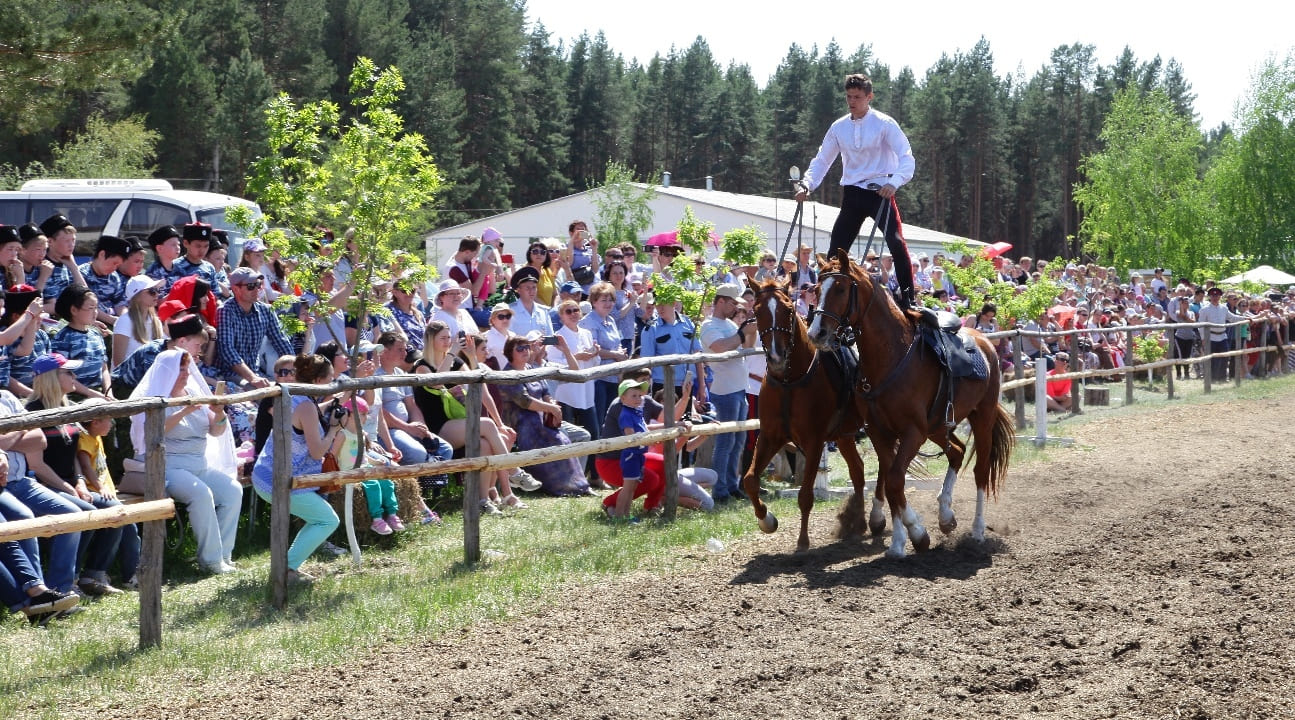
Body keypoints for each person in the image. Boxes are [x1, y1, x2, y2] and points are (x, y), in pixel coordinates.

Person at [796, 73, 917, 308]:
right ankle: (822, 305)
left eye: (858, 97)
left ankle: (909, 298)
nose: (852, 101)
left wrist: (895, 182)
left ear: (869, 97)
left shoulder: (884, 123)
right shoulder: (839, 127)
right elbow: (822, 160)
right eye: (849, 96)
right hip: (853, 192)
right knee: (835, 252)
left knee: (896, 242)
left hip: (881, 191)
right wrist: (807, 183)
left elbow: (906, 156)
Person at [130, 349, 242, 574]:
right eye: (180, 368)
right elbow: (153, 434)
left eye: (187, 367)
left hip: (199, 464)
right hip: (168, 467)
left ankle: (223, 555)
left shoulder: (194, 391)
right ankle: (210, 562)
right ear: (168, 371)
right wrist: (184, 410)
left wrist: (219, 413)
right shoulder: (156, 397)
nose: (185, 372)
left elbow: (216, 431)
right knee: (202, 494)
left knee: (233, 491)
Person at [24, 354, 125, 595]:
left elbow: (74, 456)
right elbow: (36, 465)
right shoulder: (31, 411)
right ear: (50, 378)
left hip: (70, 484)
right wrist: (69, 488)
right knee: (86, 514)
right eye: (68, 373)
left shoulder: (67, 408)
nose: (75, 378)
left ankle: (93, 575)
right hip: (43, 485)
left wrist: (79, 481)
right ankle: (66, 582)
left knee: (116, 510)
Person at [249, 353, 342, 584]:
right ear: (319, 381)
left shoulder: (293, 396)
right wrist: (333, 430)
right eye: (331, 379)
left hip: (268, 474)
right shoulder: (307, 406)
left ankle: (287, 567)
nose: (332, 384)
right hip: (278, 480)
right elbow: (317, 452)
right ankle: (286, 569)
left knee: (322, 518)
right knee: (327, 520)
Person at [496, 335, 590, 497]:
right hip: (523, 423)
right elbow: (524, 401)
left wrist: (551, 404)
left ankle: (579, 485)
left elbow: (545, 392)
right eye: (520, 348)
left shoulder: (531, 369)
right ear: (509, 352)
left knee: (575, 437)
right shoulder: (508, 375)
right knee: (559, 440)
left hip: (543, 419)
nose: (525, 351)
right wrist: (551, 409)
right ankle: (562, 488)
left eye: (527, 347)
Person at [699, 283, 756, 502]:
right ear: (721, 301)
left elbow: (747, 346)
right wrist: (743, 333)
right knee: (726, 443)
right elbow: (721, 347)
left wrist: (750, 329)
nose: (735, 307)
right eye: (732, 302)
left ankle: (731, 485)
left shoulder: (730, 324)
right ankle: (721, 489)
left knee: (738, 441)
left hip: (739, 389)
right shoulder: (709, 325)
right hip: (725, 391)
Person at [216, 266, 295, 387]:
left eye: (258, 284)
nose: (257, 289)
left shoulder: (266, 310)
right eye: (251, 286)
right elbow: (227, 351)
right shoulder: (225, 311)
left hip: (256, 373)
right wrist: (252, 378)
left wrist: (296, 369)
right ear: (236, 289)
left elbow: (281, 341)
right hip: (229, 376)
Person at [579, 281, 627, 431]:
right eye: (603, 300)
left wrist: (620, 353)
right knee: (599, 420)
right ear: (594, 301)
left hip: (614, 376)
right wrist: (616, 355)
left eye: (611, 299)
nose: (608, 303)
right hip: (598, 378)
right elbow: (593, 349)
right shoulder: (588, 322)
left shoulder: (611, 320)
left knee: (612, 419)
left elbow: (616, 342)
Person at [49, 285, 111, 397]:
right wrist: (92, 394)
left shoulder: (96, 334)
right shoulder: (63, 338)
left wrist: (108, 392)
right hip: (76, 396)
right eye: (90, 308)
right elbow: (61, 374)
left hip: (100, 393)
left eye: (96, 308)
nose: (95, 312)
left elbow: (104, 368)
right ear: (74, 310)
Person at [36, 214, 88, 312]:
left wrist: (74, 268)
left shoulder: (68, 264)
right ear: (50, 241)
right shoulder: (41, 266)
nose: (71, 245)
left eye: (73, 240)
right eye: (66, 241)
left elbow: (84, 295)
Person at [111, 275, 166, 368]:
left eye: (158, 290)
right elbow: (118, 363)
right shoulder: (125, 321)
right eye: (152, 291)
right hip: (127, 379)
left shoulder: (155, 321)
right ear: (137, 296)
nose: (157, 294)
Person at [77, 234, 131, 326]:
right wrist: (111, 320)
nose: (114, 268)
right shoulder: (82, 274)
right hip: (91, 323)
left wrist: (125, 319)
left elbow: (120, 304)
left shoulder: (114, 277)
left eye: (117, 266)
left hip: (113, 321)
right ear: (102, 254)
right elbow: (86, 306)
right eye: (114, 263)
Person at [507, 266, 555, 339]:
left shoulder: (543, 311)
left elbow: (550, 337)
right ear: (518, 290)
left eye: (534, 287)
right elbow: (509, 339)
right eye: (527, 288)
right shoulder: (510, 311)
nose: (531, 291)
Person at [145, 225, 186, 299]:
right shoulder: (152, 273)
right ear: (159, 248)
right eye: (173, 245)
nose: (178, 248)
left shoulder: (180, 270)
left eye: (178, 244)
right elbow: (156, 302)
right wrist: (178, 291)